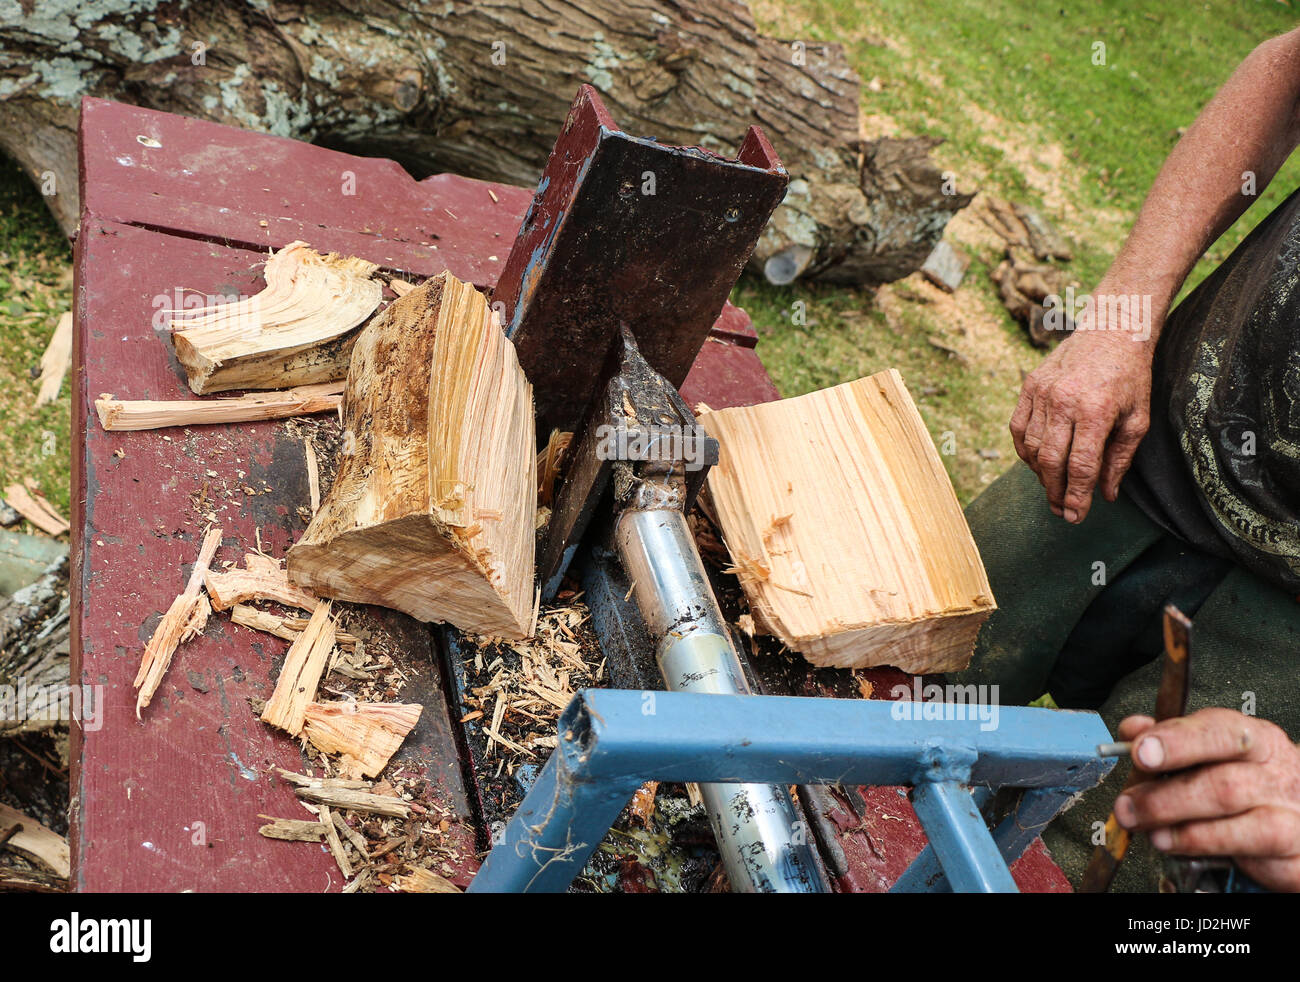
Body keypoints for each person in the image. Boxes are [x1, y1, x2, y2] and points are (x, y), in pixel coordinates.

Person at [958, 26, 1300, 891]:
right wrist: (1119, 320)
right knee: (872, 677)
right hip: (1145, 444)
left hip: (1286, 648)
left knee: (1098, 873)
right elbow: (1289, 75)